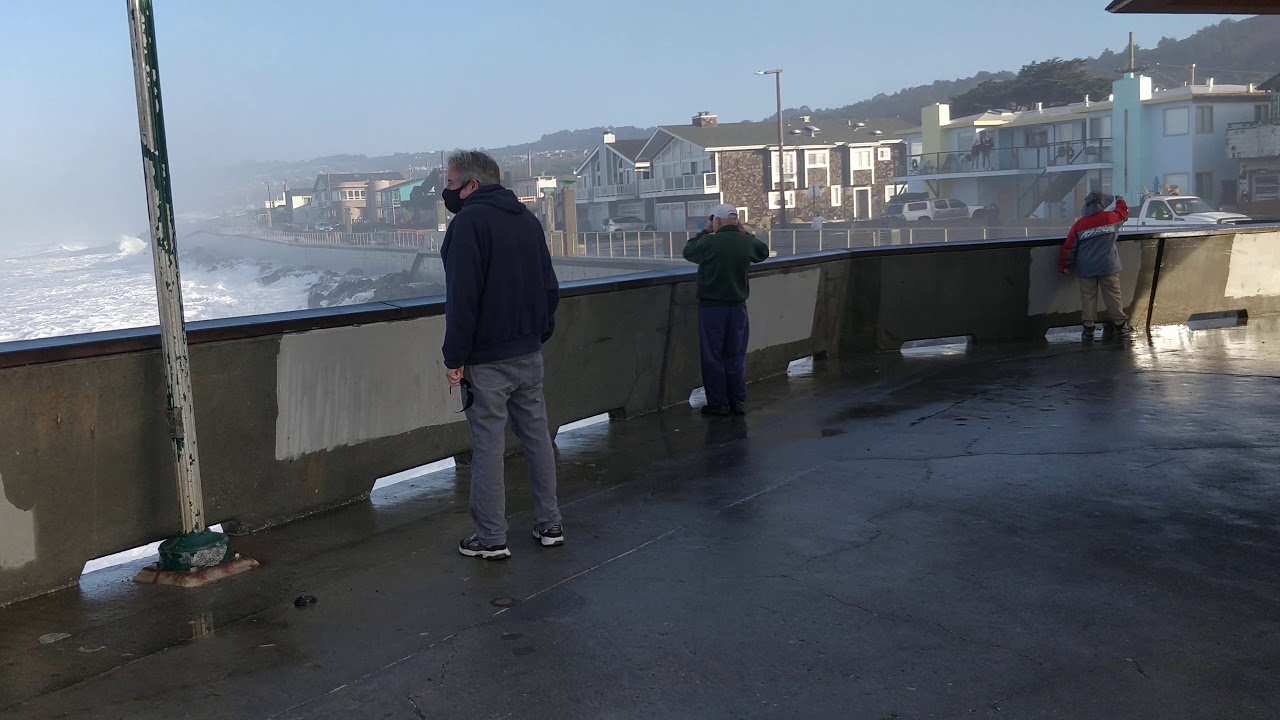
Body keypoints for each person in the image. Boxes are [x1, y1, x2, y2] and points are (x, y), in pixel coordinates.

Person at [440, 150, 562, 561]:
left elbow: (463, 298)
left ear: (473, 186)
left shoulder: (468, 224)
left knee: (489, 446)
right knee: (537, 438)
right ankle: (551, 523)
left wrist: (454, 358)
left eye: (452, 184)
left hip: (487, 358)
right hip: (528, 351)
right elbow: (550, 287)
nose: (448, 191)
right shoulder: (528, 221)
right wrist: (537, 333)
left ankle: (491, 537)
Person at [682, 204, 771, 416]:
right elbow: (762, 252)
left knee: (713, 356)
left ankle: (718, 403)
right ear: (736, 221)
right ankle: (737, 401)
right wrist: (744, 231)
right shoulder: (745, 242)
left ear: (717, 221)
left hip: (712, 308)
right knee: (735, 355)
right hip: (738, 307)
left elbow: (689, 250)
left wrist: (705, 230)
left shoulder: (709, 242)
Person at [1059, 192, 1132, 342]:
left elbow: (1069, 248)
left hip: (1086, 267)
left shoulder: (1079, 225)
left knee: (1088, 298)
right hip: (1108, 265)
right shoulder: (1111, 218)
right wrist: (1120, 201)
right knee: (1113, 297)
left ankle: (1088, 329)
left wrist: (1064, 265)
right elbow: (1123, 213)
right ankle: (1121, 326)